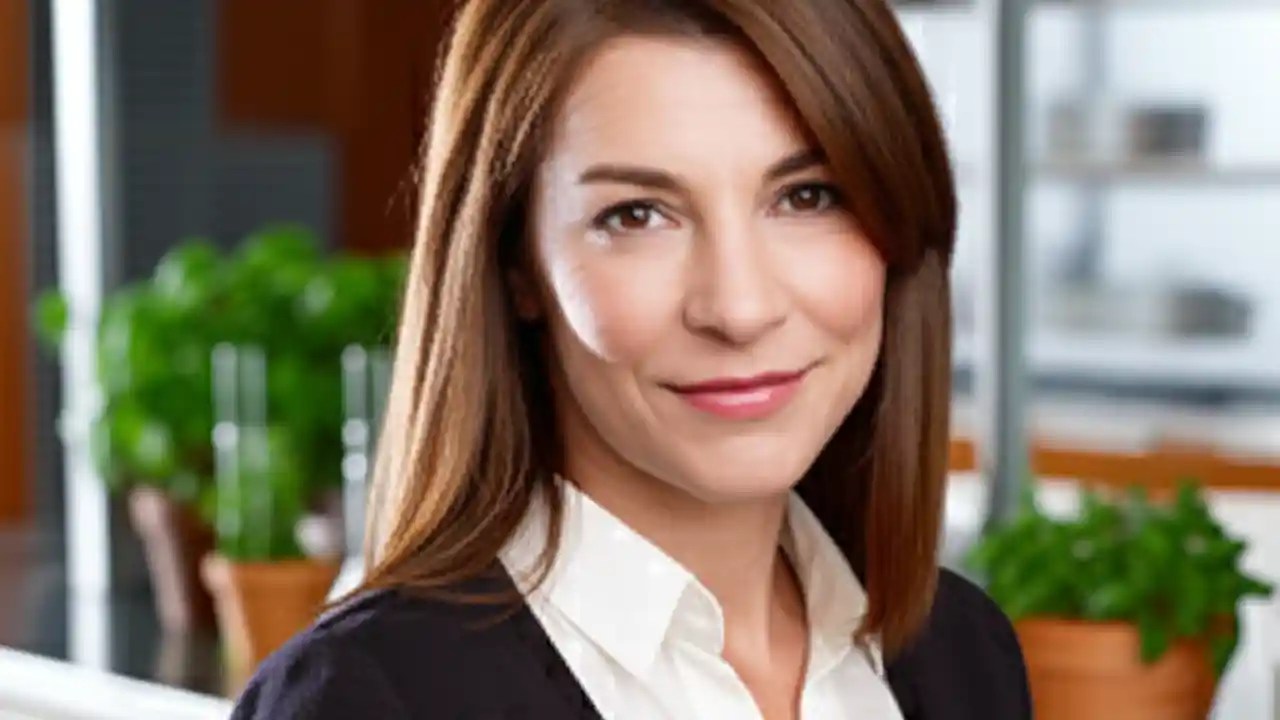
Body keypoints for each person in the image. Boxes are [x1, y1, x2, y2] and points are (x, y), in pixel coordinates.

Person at [231, 0, 1030, 717]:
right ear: (517, 267)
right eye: (638, 215)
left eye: (807, 196)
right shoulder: (364, 702)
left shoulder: (961, 661)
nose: (740, 308)